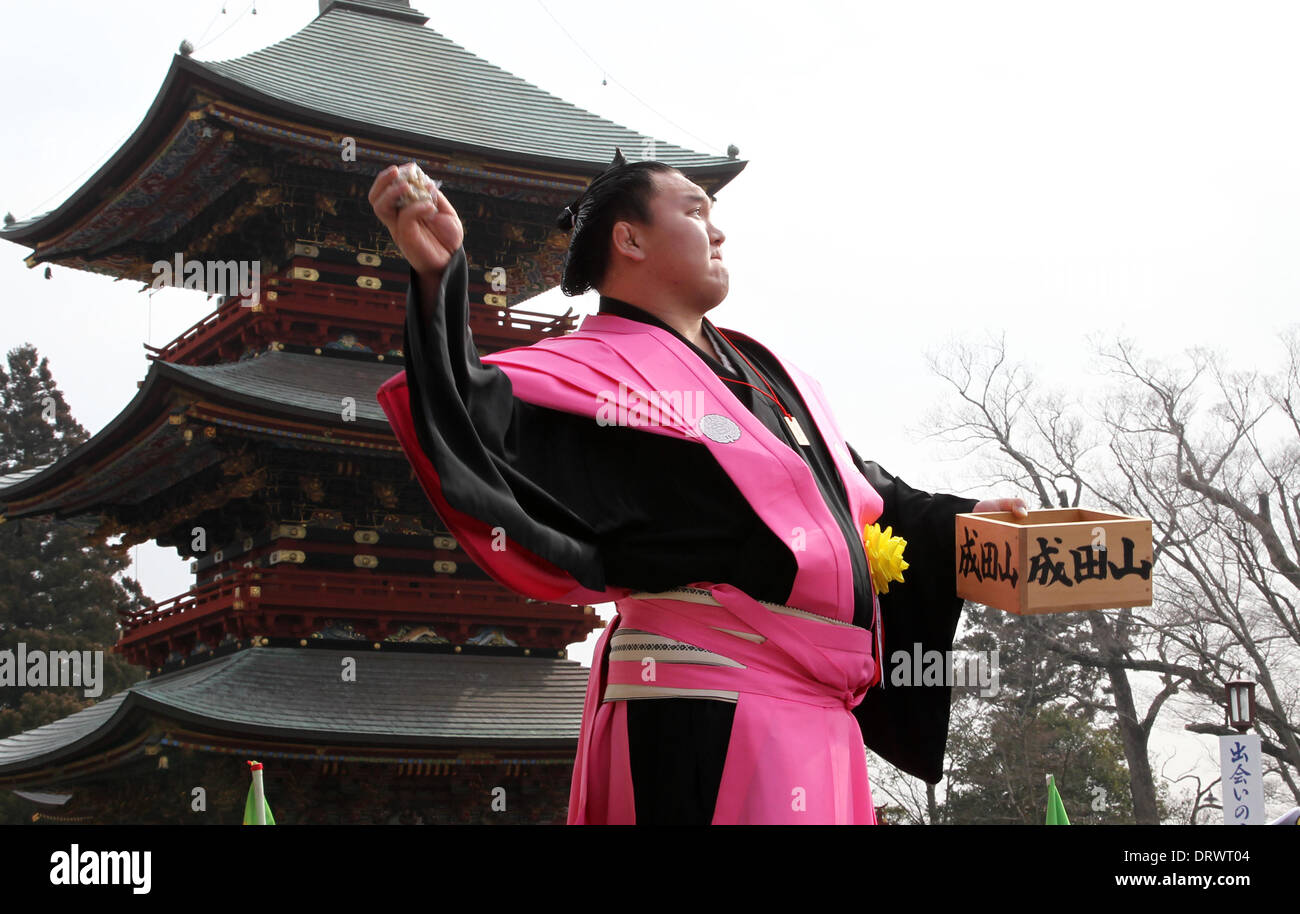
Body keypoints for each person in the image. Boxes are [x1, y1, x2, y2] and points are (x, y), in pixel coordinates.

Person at [370, 150, 1028, 824]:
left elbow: (861, 491)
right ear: (628, 240)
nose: (718, 233)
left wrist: (965, 518)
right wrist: (439, 278)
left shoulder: (765, 371)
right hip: (698, 704)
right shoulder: (588, 377)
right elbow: (476, 416)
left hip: (820, 717)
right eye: (695, 212)